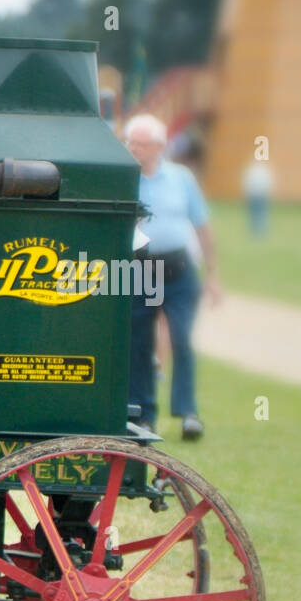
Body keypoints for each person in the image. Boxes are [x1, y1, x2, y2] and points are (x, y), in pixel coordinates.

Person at [124, 113, 221, 441]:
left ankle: (187, 412)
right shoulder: (125, 178)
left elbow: (202, 226)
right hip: (142, 269)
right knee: (139, 342)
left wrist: (213, 274)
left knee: (181, 339)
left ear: (159, 146)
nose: (133, 148)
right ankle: (143, 415)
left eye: (139, 143)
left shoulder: (181, 179)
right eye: (130, 142)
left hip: (180, 271)